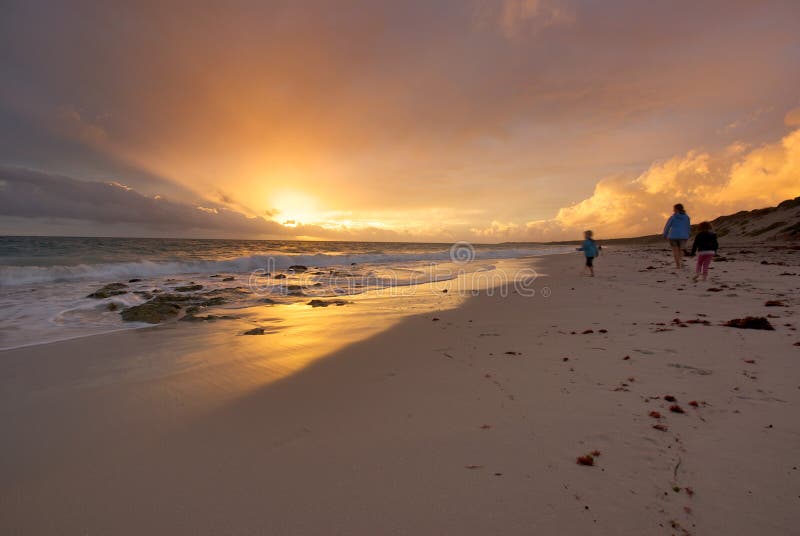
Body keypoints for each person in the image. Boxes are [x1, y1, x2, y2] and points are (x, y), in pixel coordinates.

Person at [663, 203, 691, 269]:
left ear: (677, 209)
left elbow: (667, 226)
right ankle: (681, 262)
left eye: (674, 209)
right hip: (683, 236)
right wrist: (688, 234)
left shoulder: (672, 217)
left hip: (673, 236)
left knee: (675, 251)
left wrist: (665, 234)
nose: (673, 210)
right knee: (681, 250)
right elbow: (688, 227)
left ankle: (678, 265)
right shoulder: (687, 217)